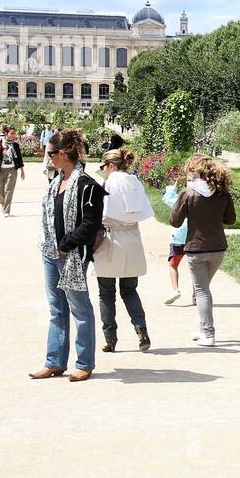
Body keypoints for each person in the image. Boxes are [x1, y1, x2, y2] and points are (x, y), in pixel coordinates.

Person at [32, 129, 105, 383]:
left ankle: (84, 363)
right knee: (56, 310)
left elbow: (90, 224)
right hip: (51, 253)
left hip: (71, 256)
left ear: (63, 154)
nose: (48, 158)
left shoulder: (88, 185)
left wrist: (67, 244)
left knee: (80, 310)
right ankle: (54, 362)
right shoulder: (56, 182)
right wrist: (52, 246)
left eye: (50, 153)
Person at [168, 154, 236, 347]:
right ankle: (202, 328)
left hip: (196, 248)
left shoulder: (188, 193)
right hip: (218, 248)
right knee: (204, 289)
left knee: (202, 291)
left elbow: (175, 221)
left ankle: (208, 333)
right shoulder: (222, 192)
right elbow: (230, 219)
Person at [94, 147, 154, 353]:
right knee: (130, 290)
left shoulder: (110, 182)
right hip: (132, 238)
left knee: (106, 293)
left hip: (111, 239)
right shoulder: (134, 181)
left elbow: (101, 212)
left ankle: (110, 338)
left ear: (111, 166)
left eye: (104, 167)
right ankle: (141, 329)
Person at [162, 183, 189, 305]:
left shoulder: (178, 201)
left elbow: (167, 197)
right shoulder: (199, 201)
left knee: (173, 264)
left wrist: (175, 185)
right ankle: (196, 294)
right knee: (196, 267)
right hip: (194, 237)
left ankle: (175, 290)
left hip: (178, 236)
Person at [0, 126, 25, 217]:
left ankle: (6, 211)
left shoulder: (15, 145)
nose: (14, 135)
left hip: (12, 170)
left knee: (9, 190)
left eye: (14, 133)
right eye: (12, 133)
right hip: (0, 170)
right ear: (6, 133)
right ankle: (2, 202)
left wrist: (22, 170)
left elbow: (19, 158)